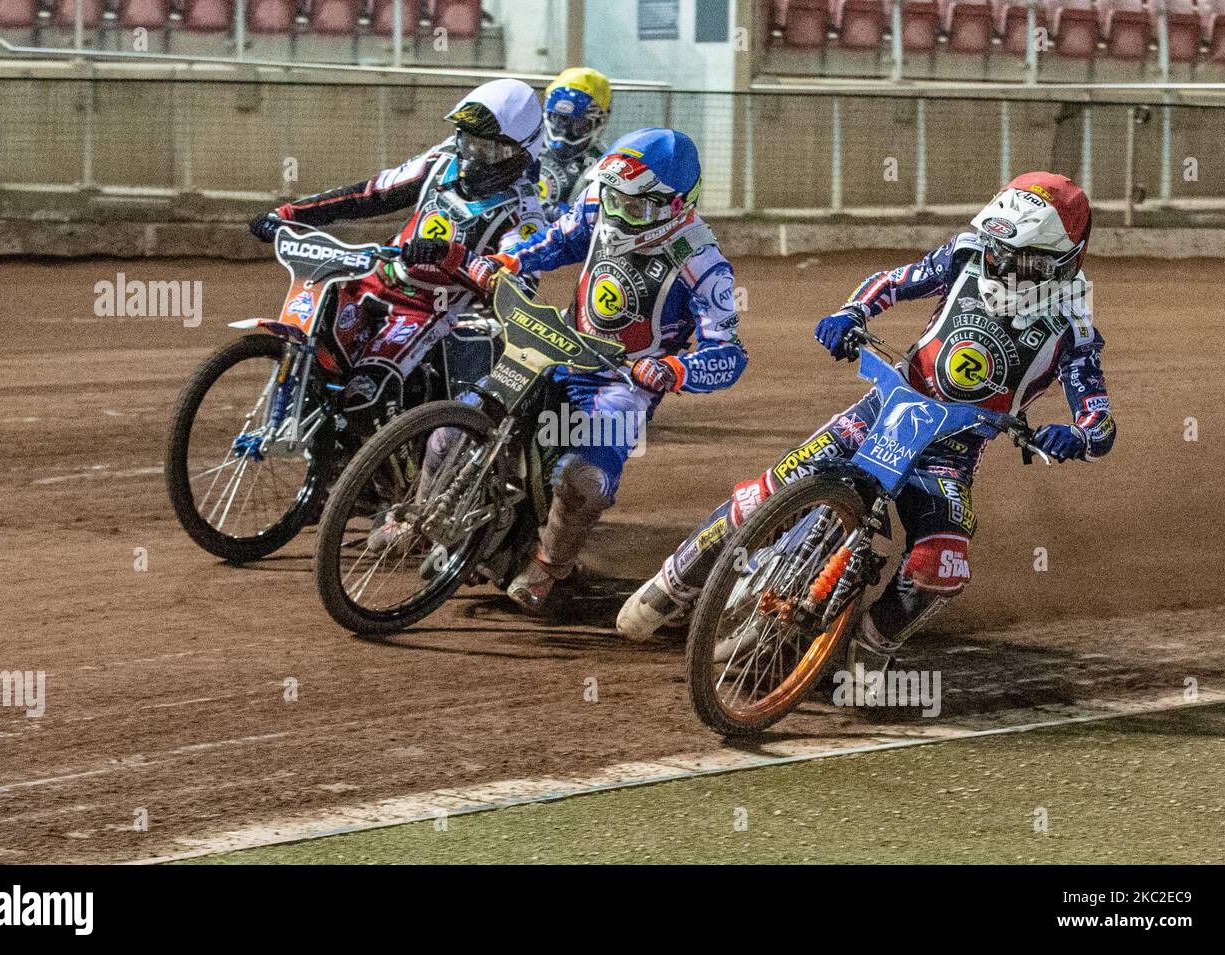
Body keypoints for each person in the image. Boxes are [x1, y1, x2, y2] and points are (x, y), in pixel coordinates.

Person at [617, 171, 1116, 676]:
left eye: (1023, 259)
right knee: (764, 494)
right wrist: (851, 313)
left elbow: (1099, 418)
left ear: (1066, 260)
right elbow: (895, 282)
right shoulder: (964, 254)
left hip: (950, 455)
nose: (1003, 265)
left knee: (940, 567)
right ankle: (672, 583)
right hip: (883, 410)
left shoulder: (1072, 327)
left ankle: (871, 650)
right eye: (997, 249)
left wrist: (1077, 435)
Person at [416, 127, 748, 612]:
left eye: (634, 205)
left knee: (585, 479)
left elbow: (729, 353)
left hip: (624, 378)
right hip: (558, 346)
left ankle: (552, 565)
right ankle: (416, 517)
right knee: (455, 426)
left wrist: (675, 369)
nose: (618, 211)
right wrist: (504, 261)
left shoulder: (703, 262)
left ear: (675, 204)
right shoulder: (599, 208)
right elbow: (552, 243)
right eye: (613, 195)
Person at [247, 78, 547, 430]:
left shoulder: (524, 213)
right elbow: (370, 194)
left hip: (425, 309)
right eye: (467, 142)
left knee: (366, 395)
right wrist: (290, 214)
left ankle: (392, 476)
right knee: (319, 349)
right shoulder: (440, 162)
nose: (472, 157)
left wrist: (452, 257)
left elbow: (518, 287)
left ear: (520, 153)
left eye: (487, 150)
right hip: (372, 278)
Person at [536, 67, 613, 218]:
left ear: (599, 122)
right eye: (560, 121)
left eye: (579, 125)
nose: (565, 132)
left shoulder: (602, 166)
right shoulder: (529, 143)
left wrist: (571, 216)